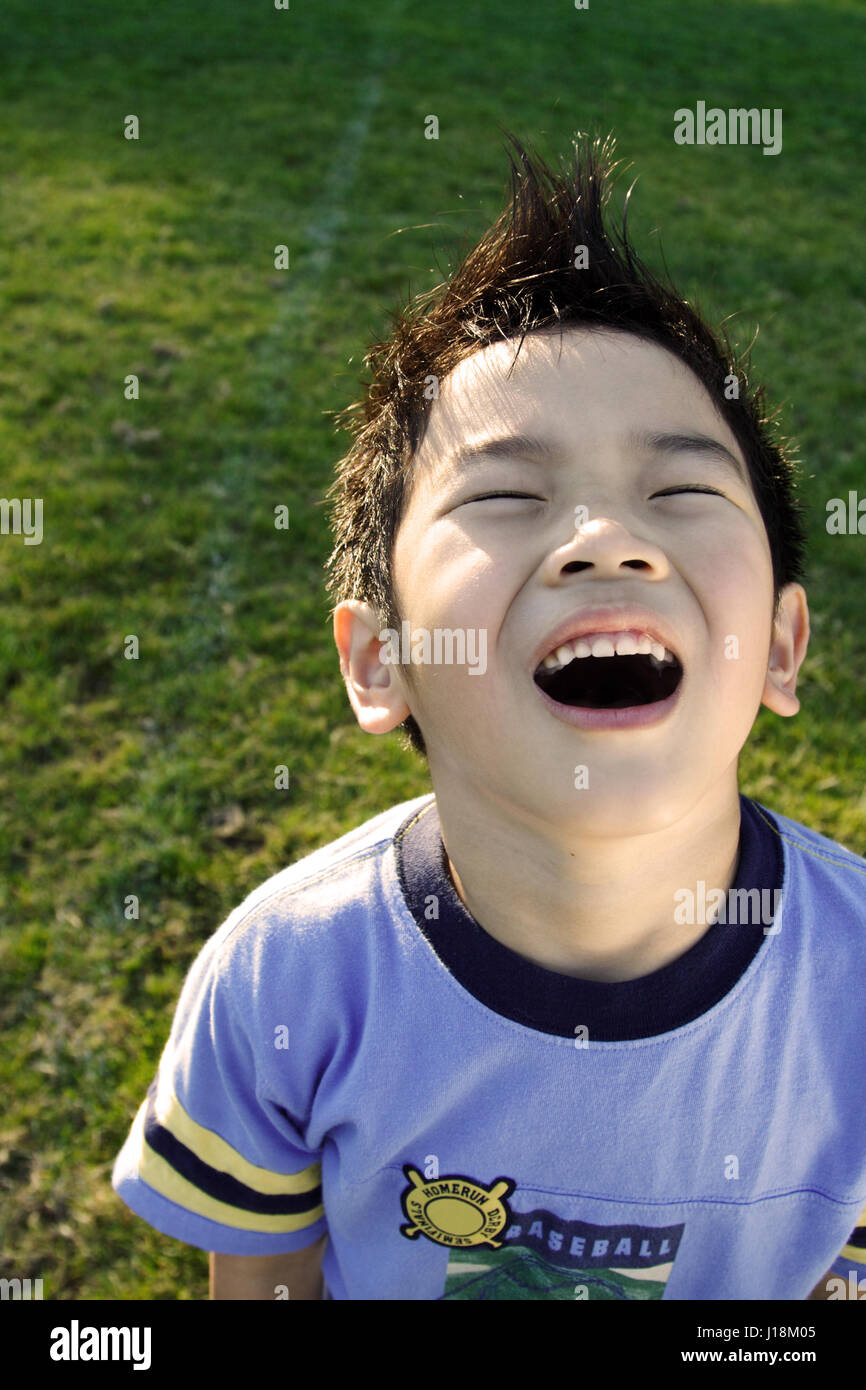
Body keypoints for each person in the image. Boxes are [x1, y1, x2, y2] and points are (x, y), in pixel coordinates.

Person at [112, 132, 866, 1301]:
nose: (605, 538)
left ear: (777, 641)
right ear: (381, 664)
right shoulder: (285, 981)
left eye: (678, 489)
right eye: (507, 494)